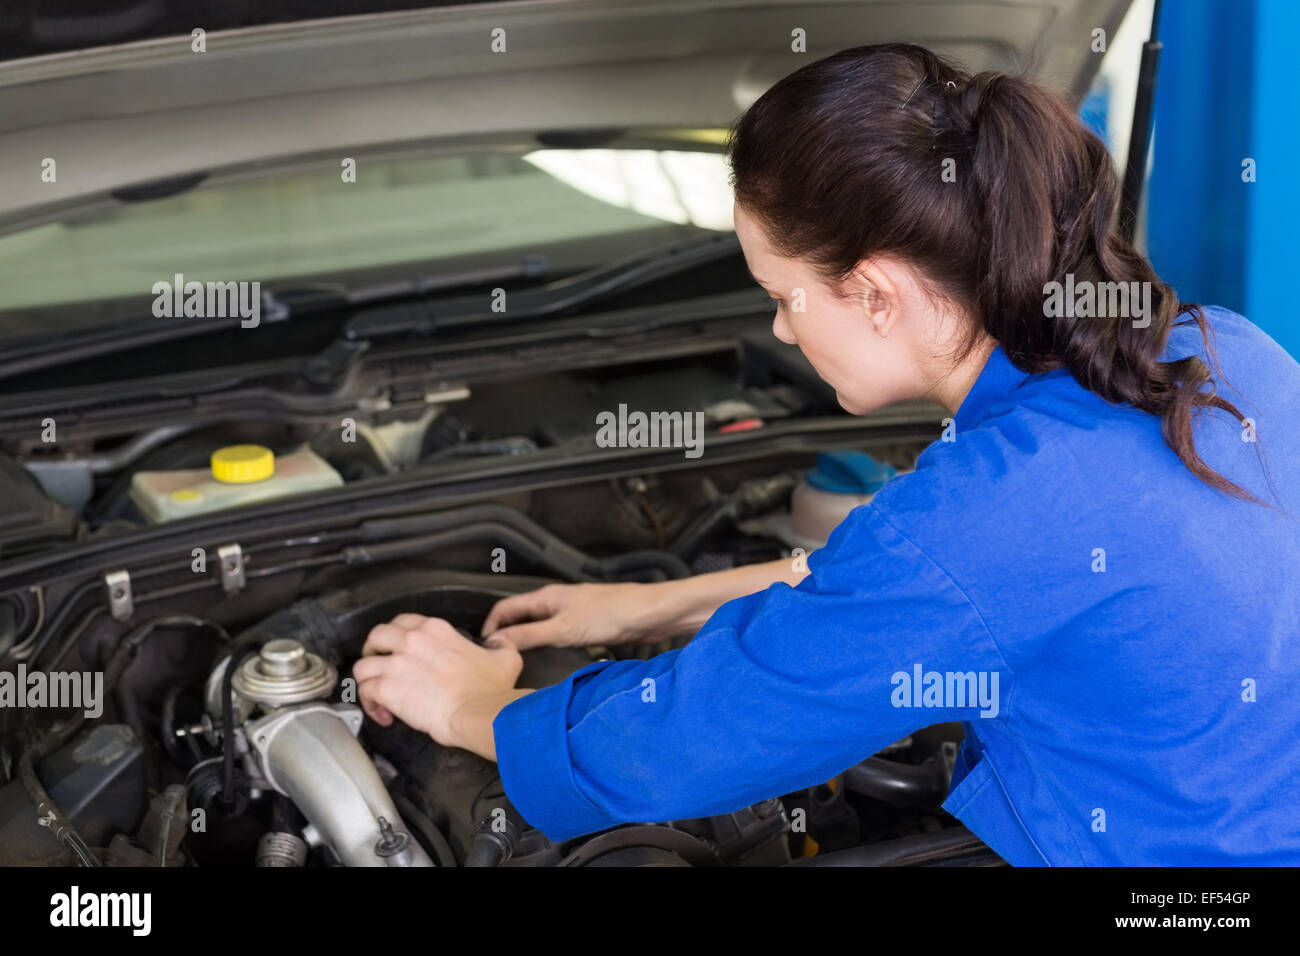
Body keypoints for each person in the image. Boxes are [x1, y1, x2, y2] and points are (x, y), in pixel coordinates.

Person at [351, 43, 1300, 865]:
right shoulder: (1222, 351)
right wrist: (656, 601)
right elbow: (955, 582)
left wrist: (481, 712)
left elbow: (709, 733)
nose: (778, 327)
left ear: (877, 293)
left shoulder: (988, 514)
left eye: (782, 294)